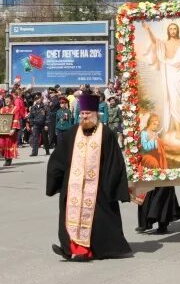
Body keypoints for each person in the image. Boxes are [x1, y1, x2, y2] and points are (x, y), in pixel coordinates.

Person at [46, 93, 132, 261]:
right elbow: (59, 157)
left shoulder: (106, 134)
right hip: (74, 186)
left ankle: (89, 251)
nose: (84, 116)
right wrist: (56, 178)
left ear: (96, 114)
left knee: (96, 221)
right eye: (82, 113)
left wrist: (111, 184)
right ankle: (69, 248)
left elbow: (114, 161)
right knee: (69, 215)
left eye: (88, 114)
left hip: (97, 186)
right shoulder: (72, 133)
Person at [141, 21, 180, 138]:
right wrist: (148, 29)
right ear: (168, 31)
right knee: (174, 102)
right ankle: (179, 130)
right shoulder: (164, 43)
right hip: (170, 73)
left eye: (175, 29)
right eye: (171, 29)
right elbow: (154, 41)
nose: (173, 31)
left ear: (177, 30)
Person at [136, 114, 180, 234]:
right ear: (149, 123)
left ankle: (163, 224)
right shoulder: (144, 134)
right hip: (150, 165)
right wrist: (154, 140)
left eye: (158, 122)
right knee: (147, 193)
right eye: (154, 122)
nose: (156, 124)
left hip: (162, 166)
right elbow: (146, 148)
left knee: (165, 191)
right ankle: (145, 223)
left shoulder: (157, 134)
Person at [0, 95, 20, 166]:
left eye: (8, 100)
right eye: (6, 100)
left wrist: (13, 129)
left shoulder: (15, 109)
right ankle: (6, 156)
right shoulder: (2, 109)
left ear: (11, 100)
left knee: (9, 144)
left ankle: (8, 159)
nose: (7, 101)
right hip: (2, 130)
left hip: (10, 130)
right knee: (1, 144)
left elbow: (16, 119)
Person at [27, 93, 49, 157]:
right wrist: (32, 125)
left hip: (43, 124)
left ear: (41, 98)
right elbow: (31, 117)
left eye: (39, 98)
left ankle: (47, 150)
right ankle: (34, 152)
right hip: (36, 124)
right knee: (35, 139)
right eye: (36, 99)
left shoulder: (45, 107)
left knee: (45, 138)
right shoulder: (33, 107)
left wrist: (46, 124)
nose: (38, 100)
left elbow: (47, 116)